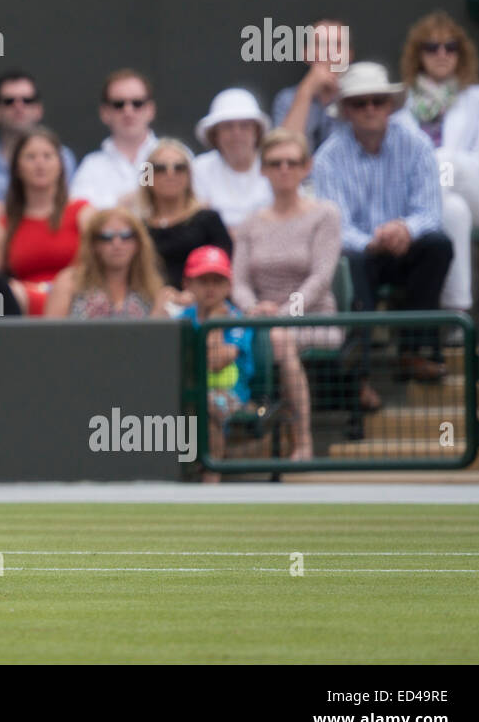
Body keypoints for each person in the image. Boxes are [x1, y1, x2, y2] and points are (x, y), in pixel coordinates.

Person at [312, 62, 452, 380]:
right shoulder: (327, 159)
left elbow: (430, 212)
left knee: (438, 245)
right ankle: (358, 374)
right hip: (361, 252)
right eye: (360, 103)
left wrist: (404, 229)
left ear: (390, 105)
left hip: (407, 246)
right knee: (353, 261)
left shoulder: (417, 144)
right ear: (346, 110)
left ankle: (414, 351)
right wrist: (374, 241)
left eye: (377, 100)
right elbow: (336, 225)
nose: (370, 109)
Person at [232, 128, 342, 457]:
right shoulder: (249, 223)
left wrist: (280, 314)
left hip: (316, 318)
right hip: (261, 321)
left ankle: (301, 439)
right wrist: (254, 310)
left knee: (279, 338)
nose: (284, 169)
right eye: (275, 162)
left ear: (306, 167)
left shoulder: (325, 214)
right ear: (263, 169)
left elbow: (321, 277)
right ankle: (244, 430)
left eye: (292, 162)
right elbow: (237, 282)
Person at [399, 10, 479, 313]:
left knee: (443, 161)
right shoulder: (401, 102)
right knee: (452, 211)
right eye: (432, 47)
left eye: (450, 47)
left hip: (478, 191)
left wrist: (447, 162)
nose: (442, 54)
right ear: (419, 55)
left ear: (460, 54)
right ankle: (457, 315)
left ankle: (426, 218)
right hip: (442, 199)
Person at [0, 127, 93, 316]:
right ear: (17, 168)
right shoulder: (6, 223)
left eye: (47, 156)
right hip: (25, 305)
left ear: (61, 165)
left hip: (78, 301)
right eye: (30, 157)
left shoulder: (83, 213)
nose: (40, 163)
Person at [176, 245, 254, 480]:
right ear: (187, 284)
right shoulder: (181, 318)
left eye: (217, 281)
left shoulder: (236, 319)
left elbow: (217, 361)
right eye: (203, 280)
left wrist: (215, 325)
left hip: (230, 393)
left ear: (229, 285)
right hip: (185, 390)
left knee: (208, 404)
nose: (210, 288)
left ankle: (211, 478)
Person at [0, 70, 76, 219]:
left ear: (38, 109)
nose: (18, 106)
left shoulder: (62, 157)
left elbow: (71, 213)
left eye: (27, 100)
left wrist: (9, 211)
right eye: (9, 101)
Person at [127, 138, 231, 296]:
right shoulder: (137, 226)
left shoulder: (208, 220)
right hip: (150, 307)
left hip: (201, 307)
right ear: (147, 176)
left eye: (179, 167)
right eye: (160, 168)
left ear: (189, 176)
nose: (170, 174)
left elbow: (224, 270)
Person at [44, 206, 175, 319]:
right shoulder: (70, 282)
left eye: (126, 236)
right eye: (107, 237)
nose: (117, 244)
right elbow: (50, 337)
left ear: (138, 243)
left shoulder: (151, 288)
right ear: (94, 244)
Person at [70, 69, 161, 209]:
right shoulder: (92, 166)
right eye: (119, 104)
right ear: (105, 112)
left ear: (151, 109)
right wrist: (121, 204)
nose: (128, 111)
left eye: (137, 103)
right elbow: (78, 210)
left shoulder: (173, 156)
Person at [192, 88, 273, 233]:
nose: (236, 134)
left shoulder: (276, 163)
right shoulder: (200, 168)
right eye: (228, 127)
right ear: (215, 134)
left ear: (257, 131)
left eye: (244, 126)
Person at [272, 18, 350, 153]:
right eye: (321, 44)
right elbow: (283, 152)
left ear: (349, 54)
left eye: (337, 45)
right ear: (306, 54)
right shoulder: (287, 99)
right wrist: (307, 89)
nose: (329, 52)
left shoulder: (361, 100)